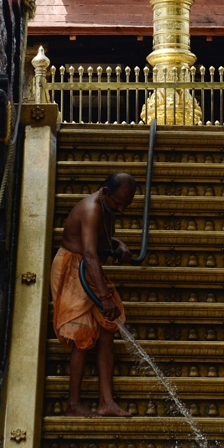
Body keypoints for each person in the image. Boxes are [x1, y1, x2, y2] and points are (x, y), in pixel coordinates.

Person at [51, 171, 136, 417]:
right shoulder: (92, 208)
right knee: (82, 334)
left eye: (126, 205)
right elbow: (88, 254)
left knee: (108, 327)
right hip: (72, 268)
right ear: (106, 192)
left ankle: (106, 402)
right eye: (118, 203)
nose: (121, 209)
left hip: (89, 266)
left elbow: (100, 242)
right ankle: (73, 404)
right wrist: (105, 296)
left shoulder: (107, 207)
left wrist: (117, 245)